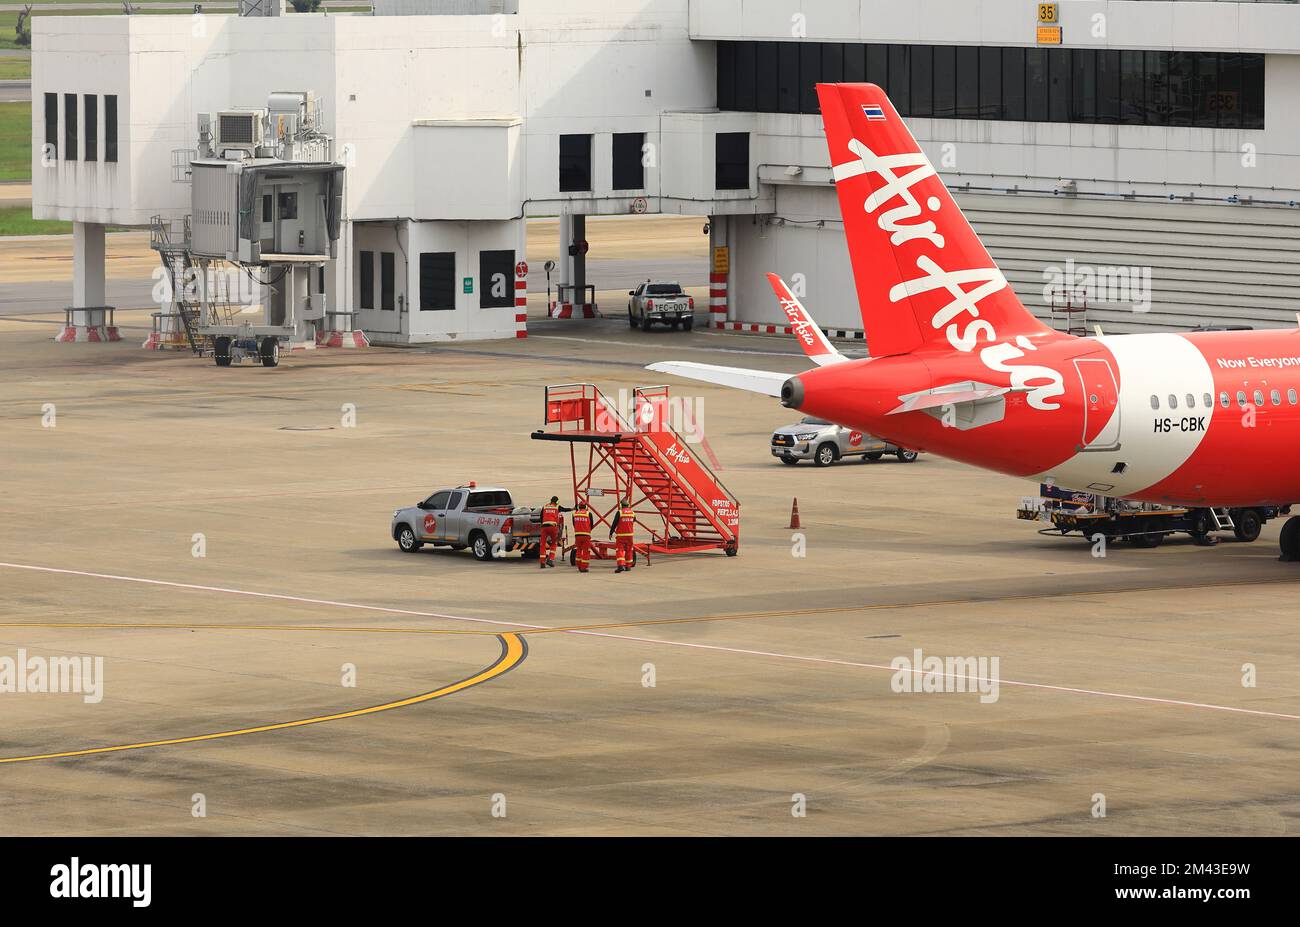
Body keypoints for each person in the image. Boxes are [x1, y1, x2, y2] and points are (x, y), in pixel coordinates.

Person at [538, 496, 572, 568]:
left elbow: (541, 518)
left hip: (544, 527)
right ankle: (550, 559)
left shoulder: (545, 506)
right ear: (556, 501)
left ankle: (542, 562)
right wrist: (573, 508)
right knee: (554, 543)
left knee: (542, 544)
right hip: (553, 527)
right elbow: (564, 509)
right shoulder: (556, 507)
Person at [609, 496, 636, 574]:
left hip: (621, 535)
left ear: (621, 505)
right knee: (629, 550)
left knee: (620, 550)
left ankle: (621, 565)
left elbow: (614, 523)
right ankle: (628, 566)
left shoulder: (619, 512)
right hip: (630, 535)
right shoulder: (632, 513)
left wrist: (611, 533)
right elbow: (634, 520)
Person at [570, 499, 594, 573]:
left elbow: (574, 524)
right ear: (586, 507)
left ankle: (579, 565)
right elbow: (591, 524)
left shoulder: (575, 514)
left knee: (579, 550)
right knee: (586, 551)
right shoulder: (588, 514)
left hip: (577, 535)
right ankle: (584, 567)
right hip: (586, 535)